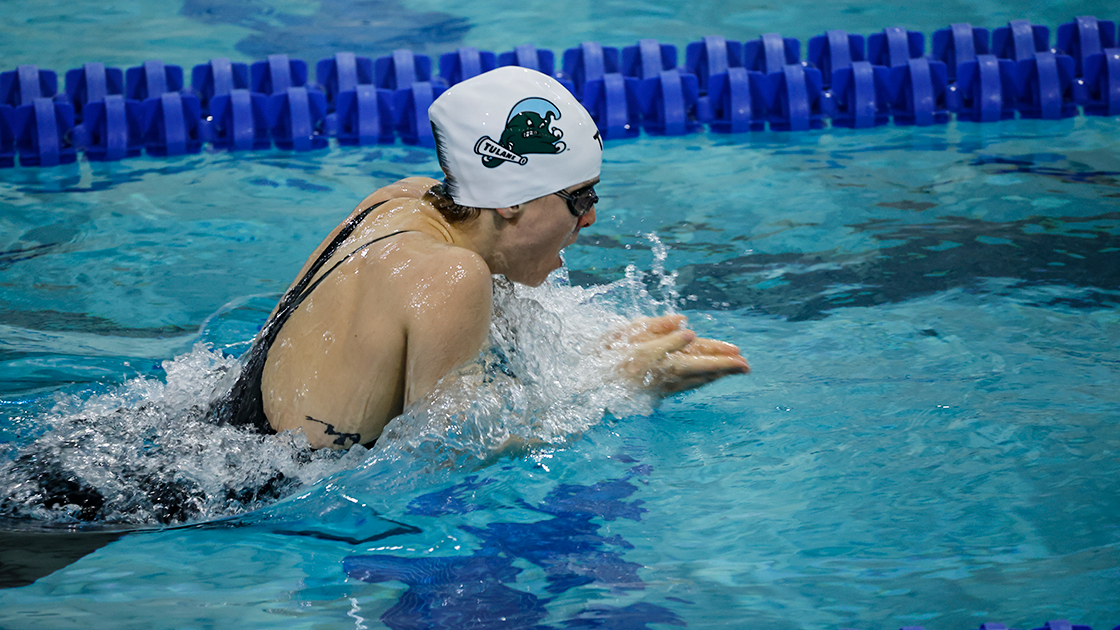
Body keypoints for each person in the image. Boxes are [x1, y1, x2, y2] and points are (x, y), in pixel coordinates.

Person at [210, 66, 749, 450]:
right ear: (510, 198)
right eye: (579, 198)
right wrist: (623, 388)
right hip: (239, 504)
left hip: (206, 436)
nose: (589, 219)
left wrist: (596, 359)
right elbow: (445, 452)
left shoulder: (405, 204)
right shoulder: (453, 274)